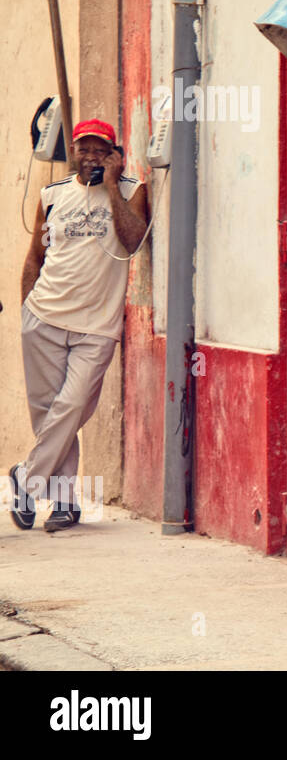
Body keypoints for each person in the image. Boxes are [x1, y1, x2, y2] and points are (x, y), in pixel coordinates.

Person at [10, 119, 148, 533]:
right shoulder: (52, 195)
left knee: (71, 408)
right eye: (84, 149)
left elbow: (134, 241)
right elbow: (35, 256)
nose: (90, 156)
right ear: (73, 151)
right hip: (45, 318)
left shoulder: (130, 192)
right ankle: (66, 502)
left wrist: (110, 185)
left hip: (96, 326)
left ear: (113, 155)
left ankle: (24, 479)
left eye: (99, 150)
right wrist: (27, 309)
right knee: (50, 414)